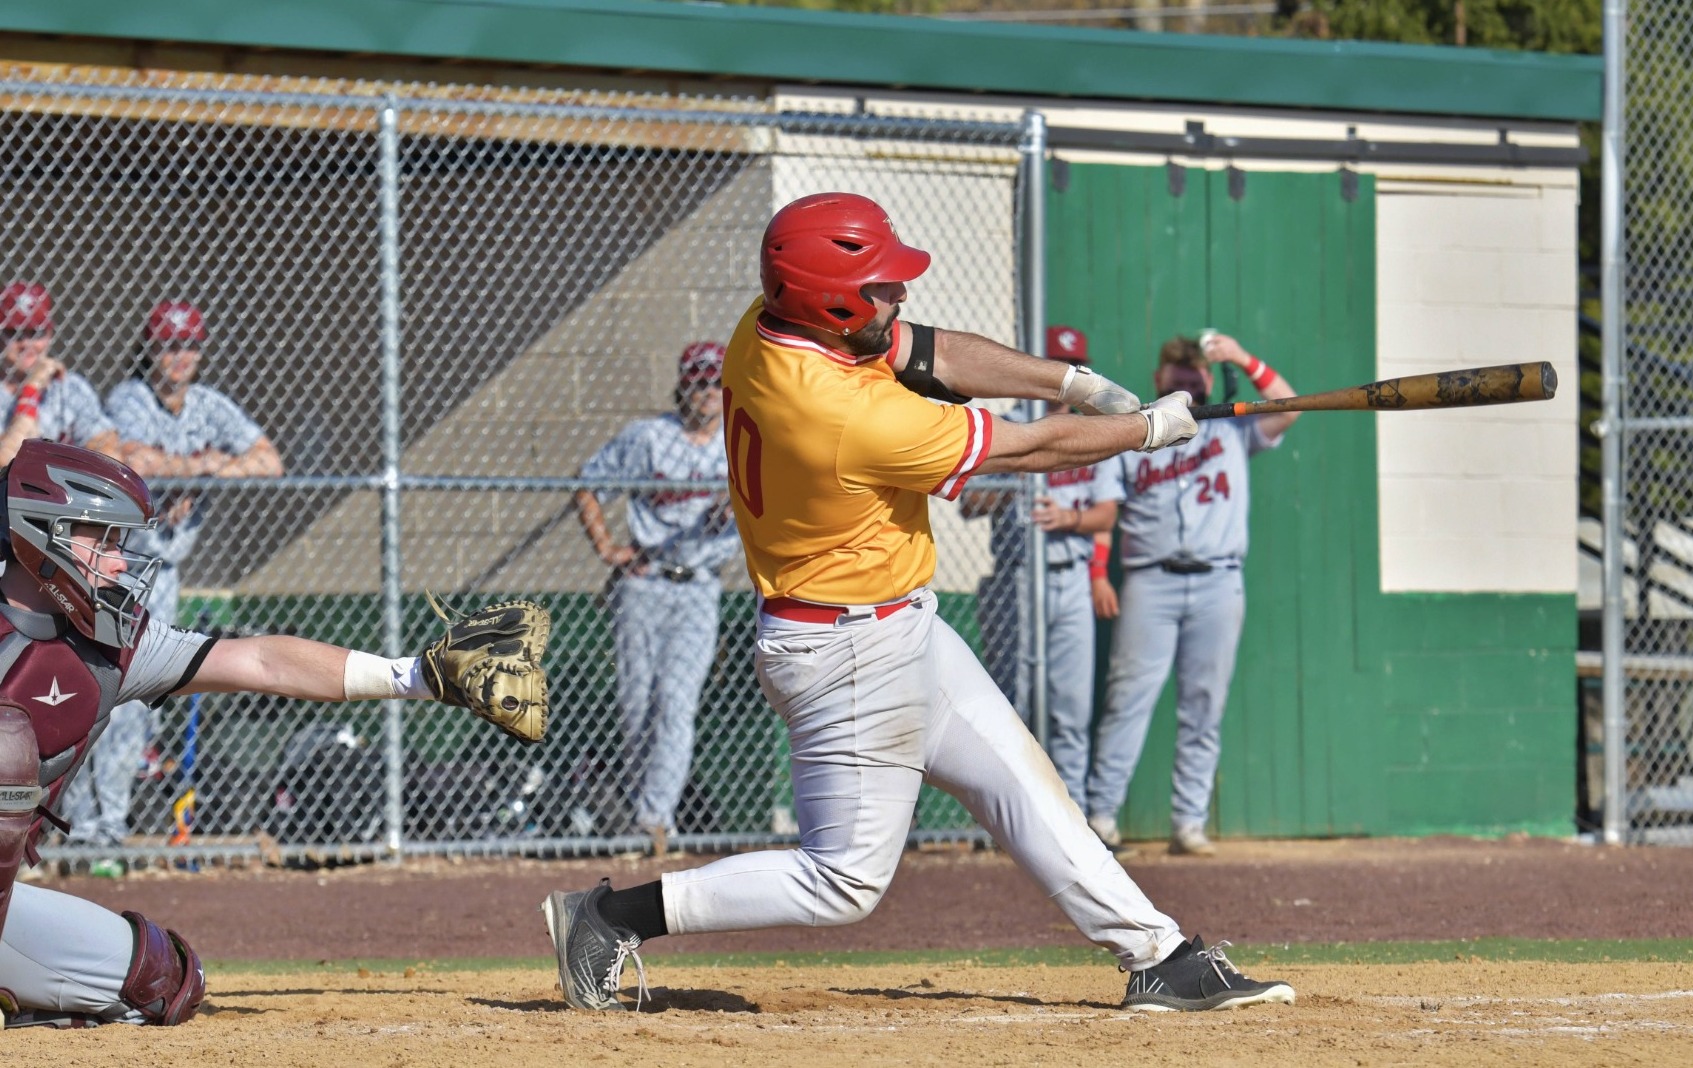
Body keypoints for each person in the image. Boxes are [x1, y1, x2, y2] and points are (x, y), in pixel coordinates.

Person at [540, 192, 1294, 1015]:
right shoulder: (849, 417)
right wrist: (1146, 430)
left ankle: (1159, 955)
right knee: (842, 884)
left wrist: (1071, 381)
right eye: (880, 286)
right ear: (831, 303)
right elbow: (1029, 448)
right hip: (843, 653)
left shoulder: (768, 326)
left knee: (1022, 783)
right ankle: (608, 918)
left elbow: (930, 352)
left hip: (899, 627)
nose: (897, 296)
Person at [0, 438, 542, 1028]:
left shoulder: (111, 650)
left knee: (165, 980)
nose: (120, 561)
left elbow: (261, 661)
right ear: (38, 531)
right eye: (100, 540)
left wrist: (416, 676)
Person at [59, 302, 285, 875]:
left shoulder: (209, 405)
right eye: (167, 345)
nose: (178, 357)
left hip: (164, 574)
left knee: (138, 705)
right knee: (95, 689)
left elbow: (269, 461)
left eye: (188, 346)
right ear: (150, 349)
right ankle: (85, 830)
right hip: (112, 564)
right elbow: (132, 458)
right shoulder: (131, 398)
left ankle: (107, 829)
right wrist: (198, 462)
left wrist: (206, 468)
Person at [1085, 332, 1299, 857]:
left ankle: (1189, 823)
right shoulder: (1135, 435)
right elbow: (1106, 511)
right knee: (1127, 701)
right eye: (1175, 380)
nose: (1184, 387)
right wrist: (1097, 570)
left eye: (1193, 380)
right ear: (1159, 382)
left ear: (1205, 382)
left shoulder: (1229, 428)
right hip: (1150, 580)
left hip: (1218, 580)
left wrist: (1243, 359)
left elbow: (1290, 407)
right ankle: (1101, 818)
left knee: (1204, 705)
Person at [574, 342, 740, 847]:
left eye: (716, 382)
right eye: (699, 381)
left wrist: (740, 510)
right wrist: (607, 547)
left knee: (675, 701)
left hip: (698, 588)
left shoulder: (742, 440)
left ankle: (655, 819)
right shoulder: (648, 437)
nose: (708, 391)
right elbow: (588, 486)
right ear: (682, 385)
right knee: (637, 705)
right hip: (644, 584)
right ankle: (640, 806)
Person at [959, 324, 1124, 808]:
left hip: (1068, 575)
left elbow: (1107, 513)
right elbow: (971, 504)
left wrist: (1070, 518)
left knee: (1071, 710)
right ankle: (1008, 814)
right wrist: (1016, 463)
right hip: (1015, 576)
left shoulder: (1098, 426)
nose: (1069, 374)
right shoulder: (1012, 421)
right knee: (1013, 705)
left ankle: (1072, 818)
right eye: (1060, 365)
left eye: (1077, 367)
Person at [0, 282, 122, 465]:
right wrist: (31, 391)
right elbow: (5, 459)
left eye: (35, 333)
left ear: (50, 334)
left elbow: (110, 454)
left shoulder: (70, 386)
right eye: (13, 333)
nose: (26, 343)